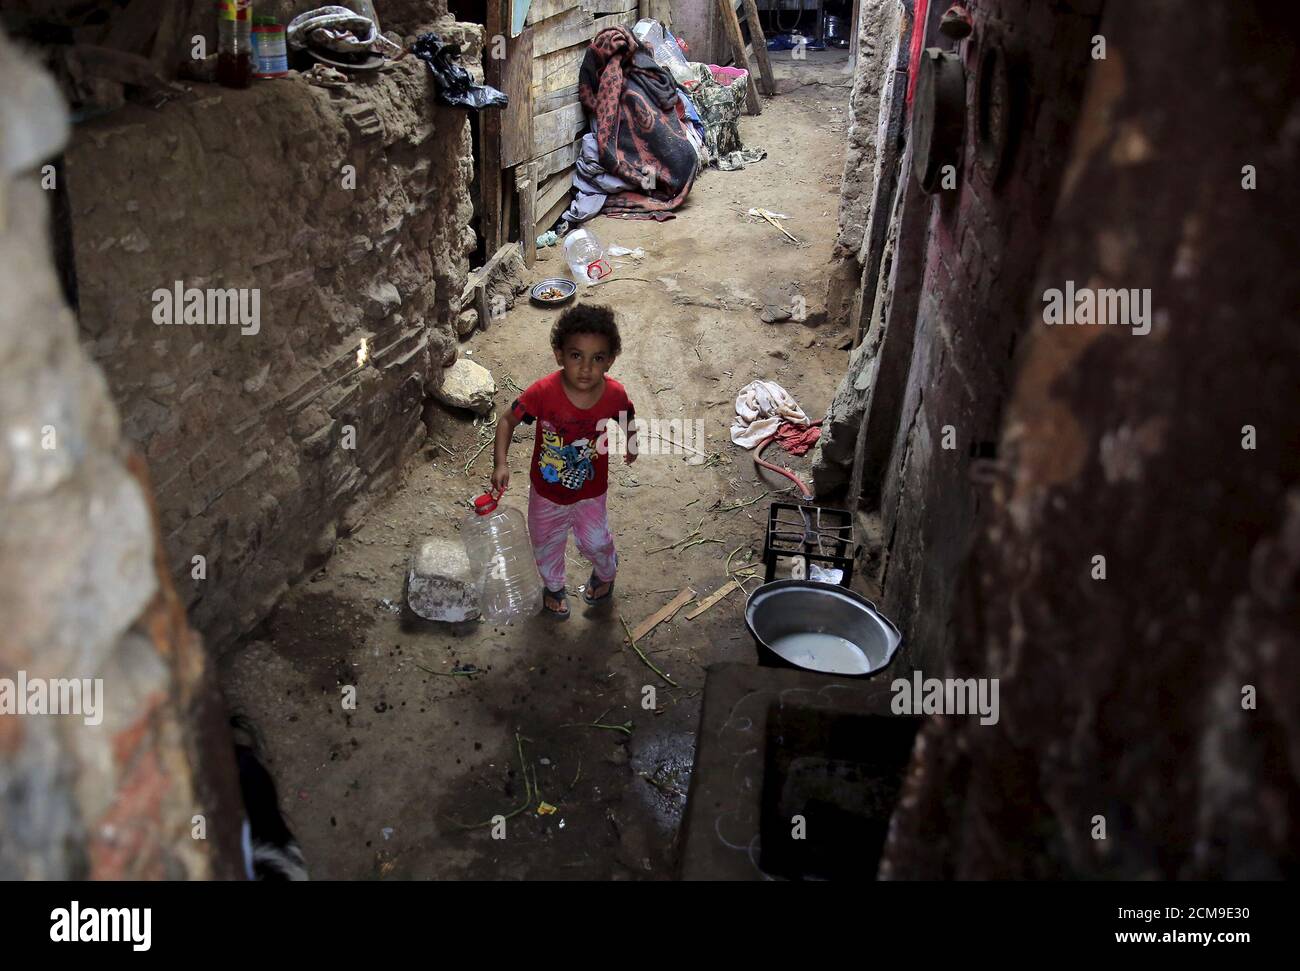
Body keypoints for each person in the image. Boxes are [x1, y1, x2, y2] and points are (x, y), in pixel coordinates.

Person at [491, 305, 637, 618]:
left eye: (597, 358)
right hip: (547, 492)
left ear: (610, 360)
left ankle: (605, 572)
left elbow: (625, 413)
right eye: (576, 356)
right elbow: (506, 421)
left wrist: (632, 442)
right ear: (559, 355)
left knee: (596, 541)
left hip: (591, 491)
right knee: (545, 542)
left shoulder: (614, 394)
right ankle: (554, 586)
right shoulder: (542, 394)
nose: (586, 368)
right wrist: (500, 463)